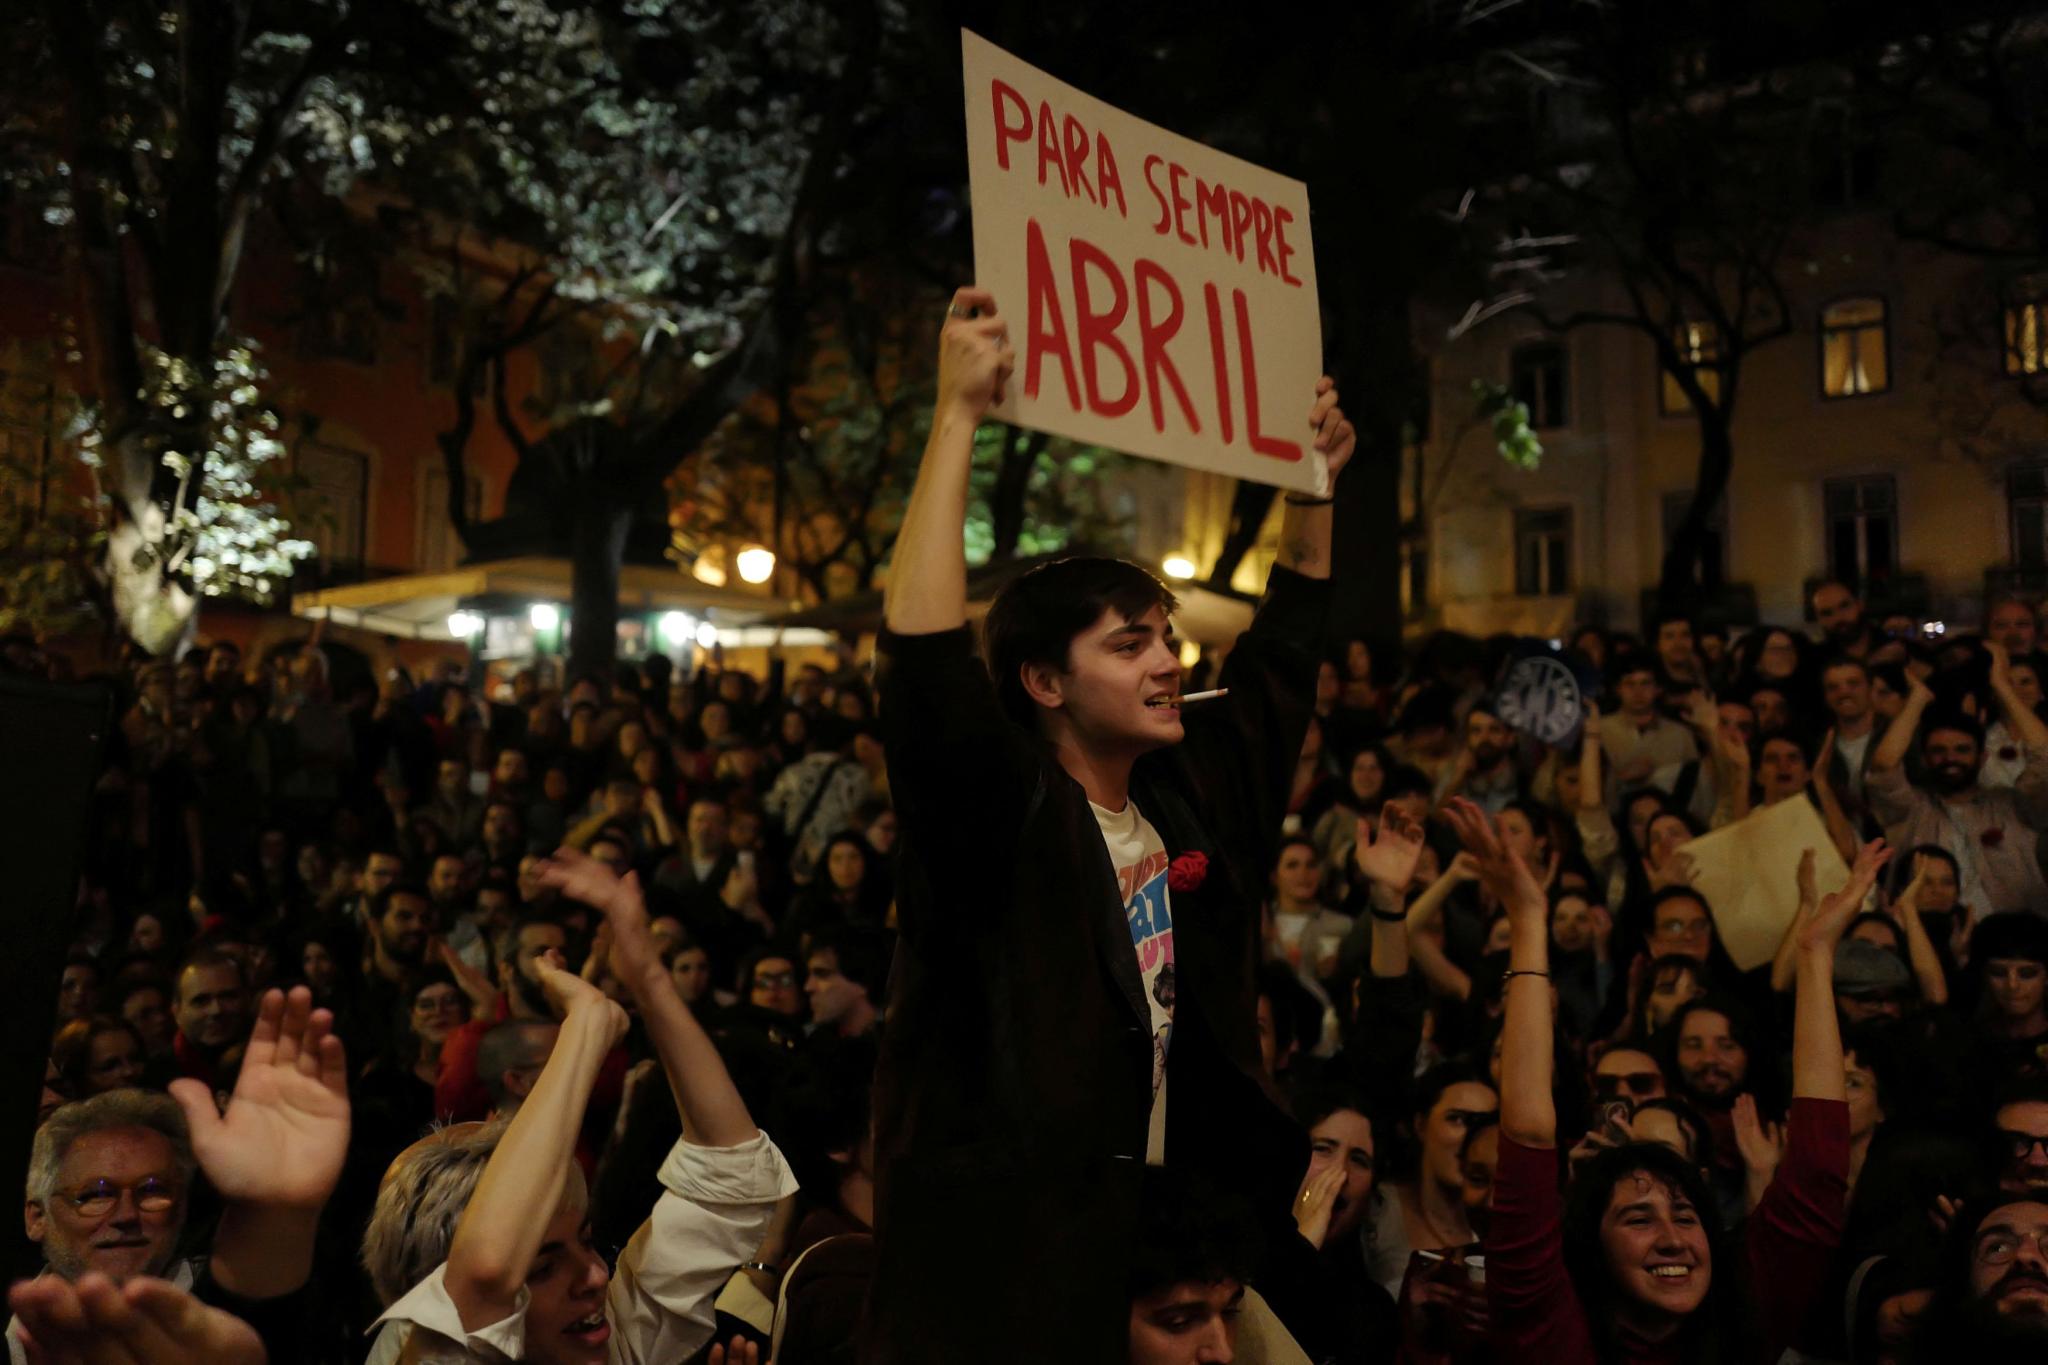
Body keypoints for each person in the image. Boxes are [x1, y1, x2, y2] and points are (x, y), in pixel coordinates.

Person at [870, 283, 1355, 1362]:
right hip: (1013, 1272)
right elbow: (921, 664)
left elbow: (1280, 662)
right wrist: (956, 415)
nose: (1168, 664)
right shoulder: (998, 818)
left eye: (1165, 639)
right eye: (1129, 645)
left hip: (1160, 1246)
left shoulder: (1182, 804)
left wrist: (1311, 480)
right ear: (1043, 680)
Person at [1469, 791, 1878, 1363]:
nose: (1673, 1238)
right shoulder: (1553, 1336)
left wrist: (1814, 957)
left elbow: (1816, 1171)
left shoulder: (1745, 1321)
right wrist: (1528, 923)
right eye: (1638, 1217)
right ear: (1592, 1242)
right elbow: (1531, 1132)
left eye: (1686, 1216)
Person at [363, 849, 796, 1364]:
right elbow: (482, 1285)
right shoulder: (411, 1352)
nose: (594, 1277)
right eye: (542, 1268)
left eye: (586, 1243)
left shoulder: (607, 1332)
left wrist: (647, 978)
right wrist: (585, 1026)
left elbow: (729, 1174)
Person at [13, 986, 351, 1364]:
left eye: (153, 1190)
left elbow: (261, 1303)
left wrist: (271, 1213)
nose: (126, 1216)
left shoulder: (223, 1316)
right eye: (95, 1195)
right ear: (36, 1216)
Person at [1865, 644, 2048, 914]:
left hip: (2012, 938)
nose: (1950, 758)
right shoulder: (1910, 809)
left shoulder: (2012, 805)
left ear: (1983, 757)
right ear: (1925, 759)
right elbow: (1883, 766)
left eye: (1962, 750)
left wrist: (2002, 686)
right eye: (1939, 751)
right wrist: (1917, 699)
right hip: (1928, 936)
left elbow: (2045, 759)